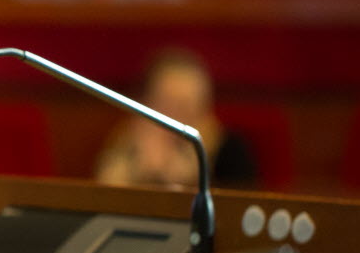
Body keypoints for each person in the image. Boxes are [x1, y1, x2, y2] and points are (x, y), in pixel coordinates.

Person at [95, 48, 260, 189]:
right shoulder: (129, 139)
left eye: (186, 106)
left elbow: (234, 209)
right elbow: (105, 193)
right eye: (168, 104)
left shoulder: (229, 149)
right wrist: (138, 170)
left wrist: (182, 176)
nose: (177, 116)